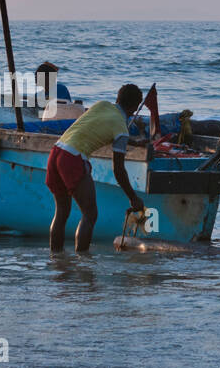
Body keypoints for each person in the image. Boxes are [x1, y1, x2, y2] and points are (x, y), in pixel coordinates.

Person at [46, 83, 145, 252]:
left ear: (117, 99)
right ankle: (82, 262)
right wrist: (133, 198)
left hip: (56, 152)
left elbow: (96, 127)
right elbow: (119, 170)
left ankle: (56, 260)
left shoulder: (102, 105)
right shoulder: (121, 129)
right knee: (90, 215)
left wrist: (132, 141)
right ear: (134, 108)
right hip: (72, 158)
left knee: (61, 212)